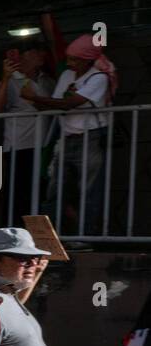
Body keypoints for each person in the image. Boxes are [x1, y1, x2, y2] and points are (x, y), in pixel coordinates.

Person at [21, 34, 116, 236]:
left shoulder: (99, 77)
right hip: (66, 137)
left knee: (88, 191)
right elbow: (56, 105)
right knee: (55, 191)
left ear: (88, 59)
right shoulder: (66, 76)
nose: (70, 63)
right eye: (69, 59)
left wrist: (36, 98)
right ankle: (48, 240)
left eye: (75, 60)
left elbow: (68, 104)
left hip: (91, 138)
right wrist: (33, 97)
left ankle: (87, 237)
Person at [0, 39, 55, 216]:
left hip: (45, 144)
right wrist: (5, 78)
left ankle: (36, 234)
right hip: (20, 145)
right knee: (17, 193)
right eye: (34, 52)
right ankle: (13, 232)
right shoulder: (10, 81)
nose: (40, 56)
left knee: (41, 191)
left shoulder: (47, 80)